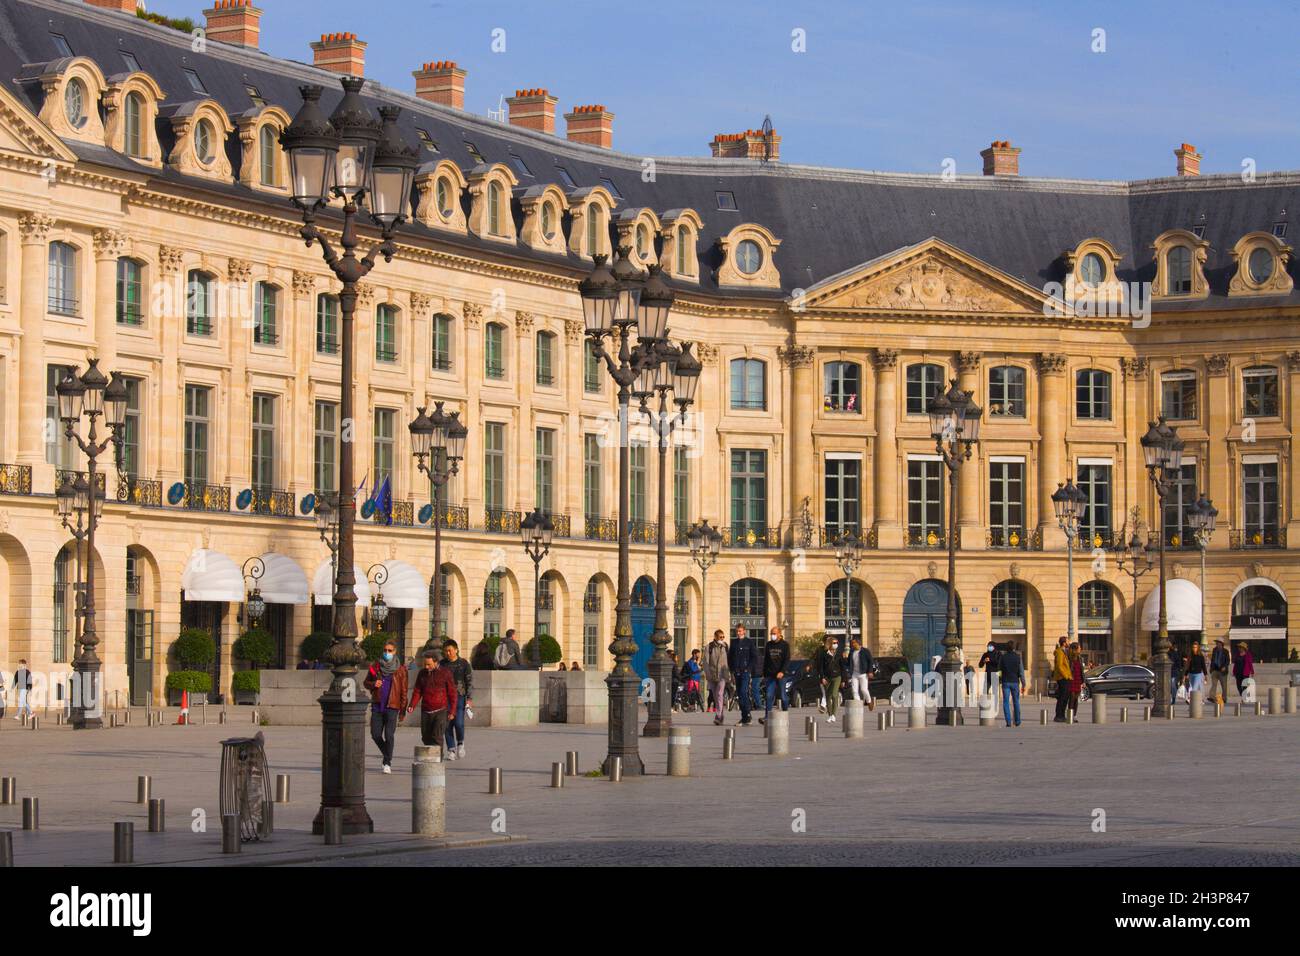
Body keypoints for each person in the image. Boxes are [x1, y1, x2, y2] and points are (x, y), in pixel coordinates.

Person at [362, 641, 408, 774]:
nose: (387, 653)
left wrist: (402, 711)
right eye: (385, 650)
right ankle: (387, 755)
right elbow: (366, 683)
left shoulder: (401, 669)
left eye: (390, 651)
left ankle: (387, 762)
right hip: (377, 705)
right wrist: (373, 684)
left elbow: (404, 691)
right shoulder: (376, 666)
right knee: (375, 735)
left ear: (395, 652)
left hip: (392, 706)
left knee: (389, 735)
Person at [404, 650, 458, 756]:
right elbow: (418, 690)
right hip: (426, 710)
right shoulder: (422, 673)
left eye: (429, 664)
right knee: (426, 737)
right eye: (425, 664)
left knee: (437, 736)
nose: (426, 667)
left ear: (436, 662)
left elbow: (452, 693)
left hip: (441, 710)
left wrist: (452, 711)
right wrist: (412, 705)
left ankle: (437, 760)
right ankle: (430, 758)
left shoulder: (445, 673)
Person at [441, 638, 473, 759]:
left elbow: (469, 681)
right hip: (444, 697)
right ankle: (451, 749)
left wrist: (469, 699)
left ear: (456, 650)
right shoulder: (442, 664)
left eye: (449, 650)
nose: (447, 653)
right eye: (445, 651)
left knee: (459, 723)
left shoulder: (464, 663)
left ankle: (460, 742)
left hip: (459, 696)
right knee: (447, 724)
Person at [727, 625, 759, 725]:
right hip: (736, 672)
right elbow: (730, 658)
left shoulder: (749, 642)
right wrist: (732, 670)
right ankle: (745, 716)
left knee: (743, 692)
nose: (738, 633)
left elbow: (754, 657)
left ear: (744, 631)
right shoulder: (734, 643)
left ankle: (747, 715)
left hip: (745, 672)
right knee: (740, 695)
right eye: (737, 631)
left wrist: (748, 669)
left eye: (740, 631)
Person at [758, 626, 790, 724]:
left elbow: (787, 660)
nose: (772, 635)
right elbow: (766, 659)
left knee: (783, 696)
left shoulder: (785, 645)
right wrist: (763, 673)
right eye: (771, 633)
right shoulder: (768, 645)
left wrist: (782, 672)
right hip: (770, 675)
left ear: (779, 634)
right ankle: (768, 716)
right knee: (769, 695)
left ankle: (785, 715)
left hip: (781, 675)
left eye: (774, 633)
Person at [703, 629, 731, 725]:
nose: (722, 639)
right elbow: (705, 662)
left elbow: (728, 661)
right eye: (720, 637)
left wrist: (729, 673)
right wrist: (707, 674)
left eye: (723, 637)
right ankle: (721, 713)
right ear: (715, 637)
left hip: (722, 674)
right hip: (712, 674)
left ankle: (718, 715)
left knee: (719, 693)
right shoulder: (709, 647)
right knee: (715, 695)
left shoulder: (725, 647)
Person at [999, 639, 1026, 727]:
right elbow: (1021, 671)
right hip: (1015, 682)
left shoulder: (1003, 657)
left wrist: (1000, 679)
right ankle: (1017, 721)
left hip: (1005, 681)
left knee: (1006, 702)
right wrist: (1023, 683)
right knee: (1016, 702)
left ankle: (1008, 722)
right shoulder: (1018, 657)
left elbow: (999, 670)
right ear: (1014, 648)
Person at [815, 636, 843, 723]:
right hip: (827, 678)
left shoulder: (839, 654)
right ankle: (830, 715)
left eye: (837, 643)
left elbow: (842, 667)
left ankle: (834, 715)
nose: (836, 645)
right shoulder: (824, 654)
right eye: (834, 643)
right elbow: (821, 667)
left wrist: (844, 680)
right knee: (828, 697)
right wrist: (822, 677)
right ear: (830, 644)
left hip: (837, 677)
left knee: (834, 695)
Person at [844, 636, 876, 710]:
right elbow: (848, 662)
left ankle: (869, 701)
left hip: (863, 673)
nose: (852, 644)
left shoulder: (865, 651)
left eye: (854, 643)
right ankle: (858, 706)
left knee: (864, 689)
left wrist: (870, 671)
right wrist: (844, 659)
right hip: (854, 673)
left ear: (858, 643)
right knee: (854, 690)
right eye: (852, 643)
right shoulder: (851, 651)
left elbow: (870, 661)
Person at [1051, 637, 1071, 722]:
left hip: (1065, 677)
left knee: (1065, 696)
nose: (1069, 643)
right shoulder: (1059, 652)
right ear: (1064, 643)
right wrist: (1066, 675)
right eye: (1067, 641)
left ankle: (1062, 714)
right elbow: (1059, 666)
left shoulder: (1064, 651)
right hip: (1062, 678)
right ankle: (1058, 715)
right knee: (1062, 697)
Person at [1208, 639, 1231, 705]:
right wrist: (1211, 668)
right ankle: (1212, 697)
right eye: (1216, 643)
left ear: (1221, 644)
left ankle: (1224, 698)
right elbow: (1212, 659)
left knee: (1224, 686)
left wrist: (1225, 667)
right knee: (1214, 684)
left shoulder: (1225, 651)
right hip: (1215, 670)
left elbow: (1228, 661)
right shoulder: (1214, 650)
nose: (1217, 644)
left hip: (1222, 671)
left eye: (1218, 643)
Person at [1067, 643, 1084, 719]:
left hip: (1078, 679)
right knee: (1072, 698)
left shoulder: (1080, 658)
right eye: (1079, 648)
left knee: (1076, 699)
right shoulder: (1069, 658)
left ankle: (1074, 716)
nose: (1080, 649)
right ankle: (1069, 715)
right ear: (1075, 649)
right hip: (1072, 680)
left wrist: (1083, 681)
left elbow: (1081, 670)